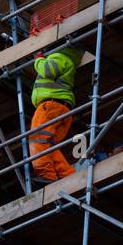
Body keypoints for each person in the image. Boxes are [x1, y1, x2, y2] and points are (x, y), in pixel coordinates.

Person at [29, 45, 84, 183]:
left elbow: (46, 70)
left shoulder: (60, 56)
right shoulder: (67, 58)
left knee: (38, 138)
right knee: (49, 145)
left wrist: (38, 58)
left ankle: (45, 174)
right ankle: (67, 175)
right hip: (60, 108)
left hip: (51, 106)